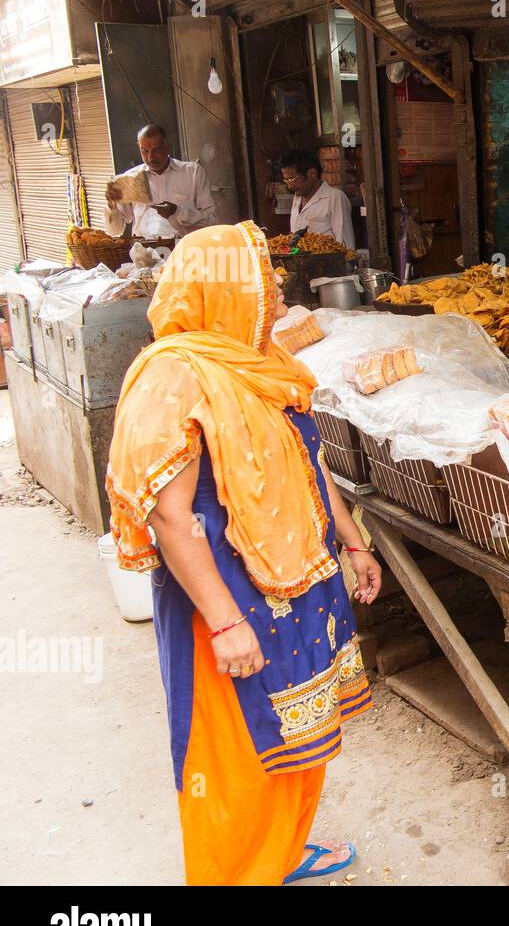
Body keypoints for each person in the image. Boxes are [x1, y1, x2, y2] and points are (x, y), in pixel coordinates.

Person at [106, 221, 381, 885]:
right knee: (234, 749)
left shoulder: (255, 364)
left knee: (298, 737)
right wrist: (227, 621)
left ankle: (280, 852)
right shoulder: (173, 378)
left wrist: (352, 540)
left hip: (296, 591)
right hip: (226, 601)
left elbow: (306, 461)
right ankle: (236, 873)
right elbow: (170, 517)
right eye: (266, 289)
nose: (280, 306)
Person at [104, 124, 217, 239]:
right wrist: (111, 205)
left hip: (182, 252)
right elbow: (115, 231)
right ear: (139, 147)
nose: (150, 158)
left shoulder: (193, 173)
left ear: (167, 146)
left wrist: (178, 212)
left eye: (156, 150)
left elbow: (211, 220)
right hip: (143, 254)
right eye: (145, 151)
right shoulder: (131, 179)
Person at [282, 150, 356, 250]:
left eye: (292, 179)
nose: (290, 186)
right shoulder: (297, 198)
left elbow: (346, 245)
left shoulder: (335, 198)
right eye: (287, 181)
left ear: (312, 174)